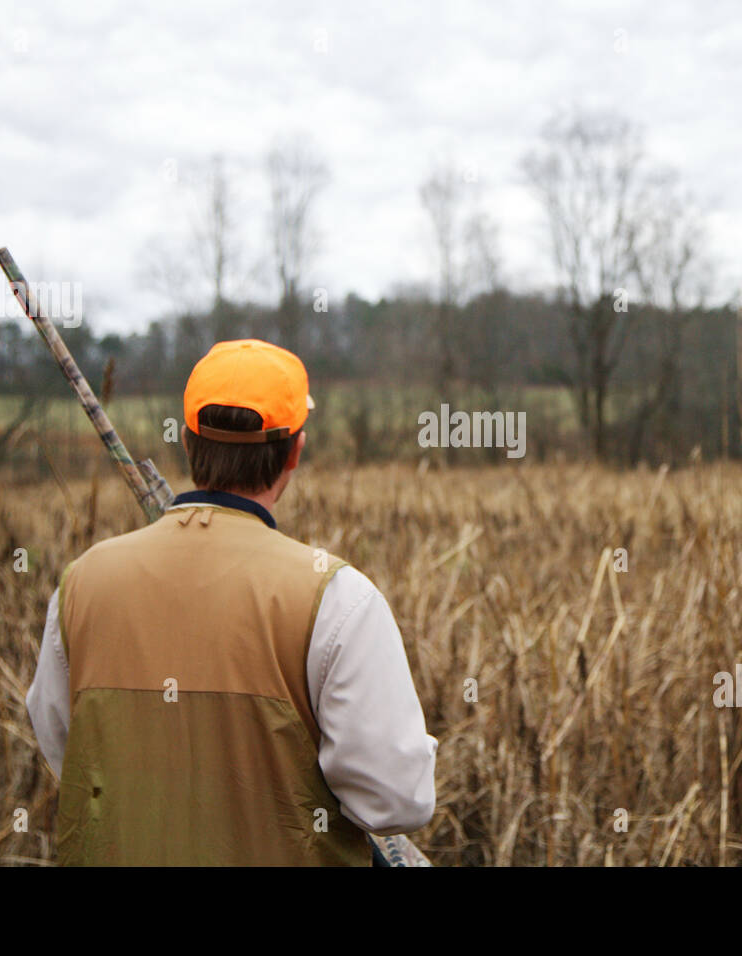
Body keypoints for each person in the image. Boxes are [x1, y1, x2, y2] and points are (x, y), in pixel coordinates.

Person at [25, 339, 438, 865]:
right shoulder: (336, 598)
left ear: (188, 444)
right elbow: (395, 797)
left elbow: (66, 747)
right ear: (294, 451)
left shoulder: (81, 585)